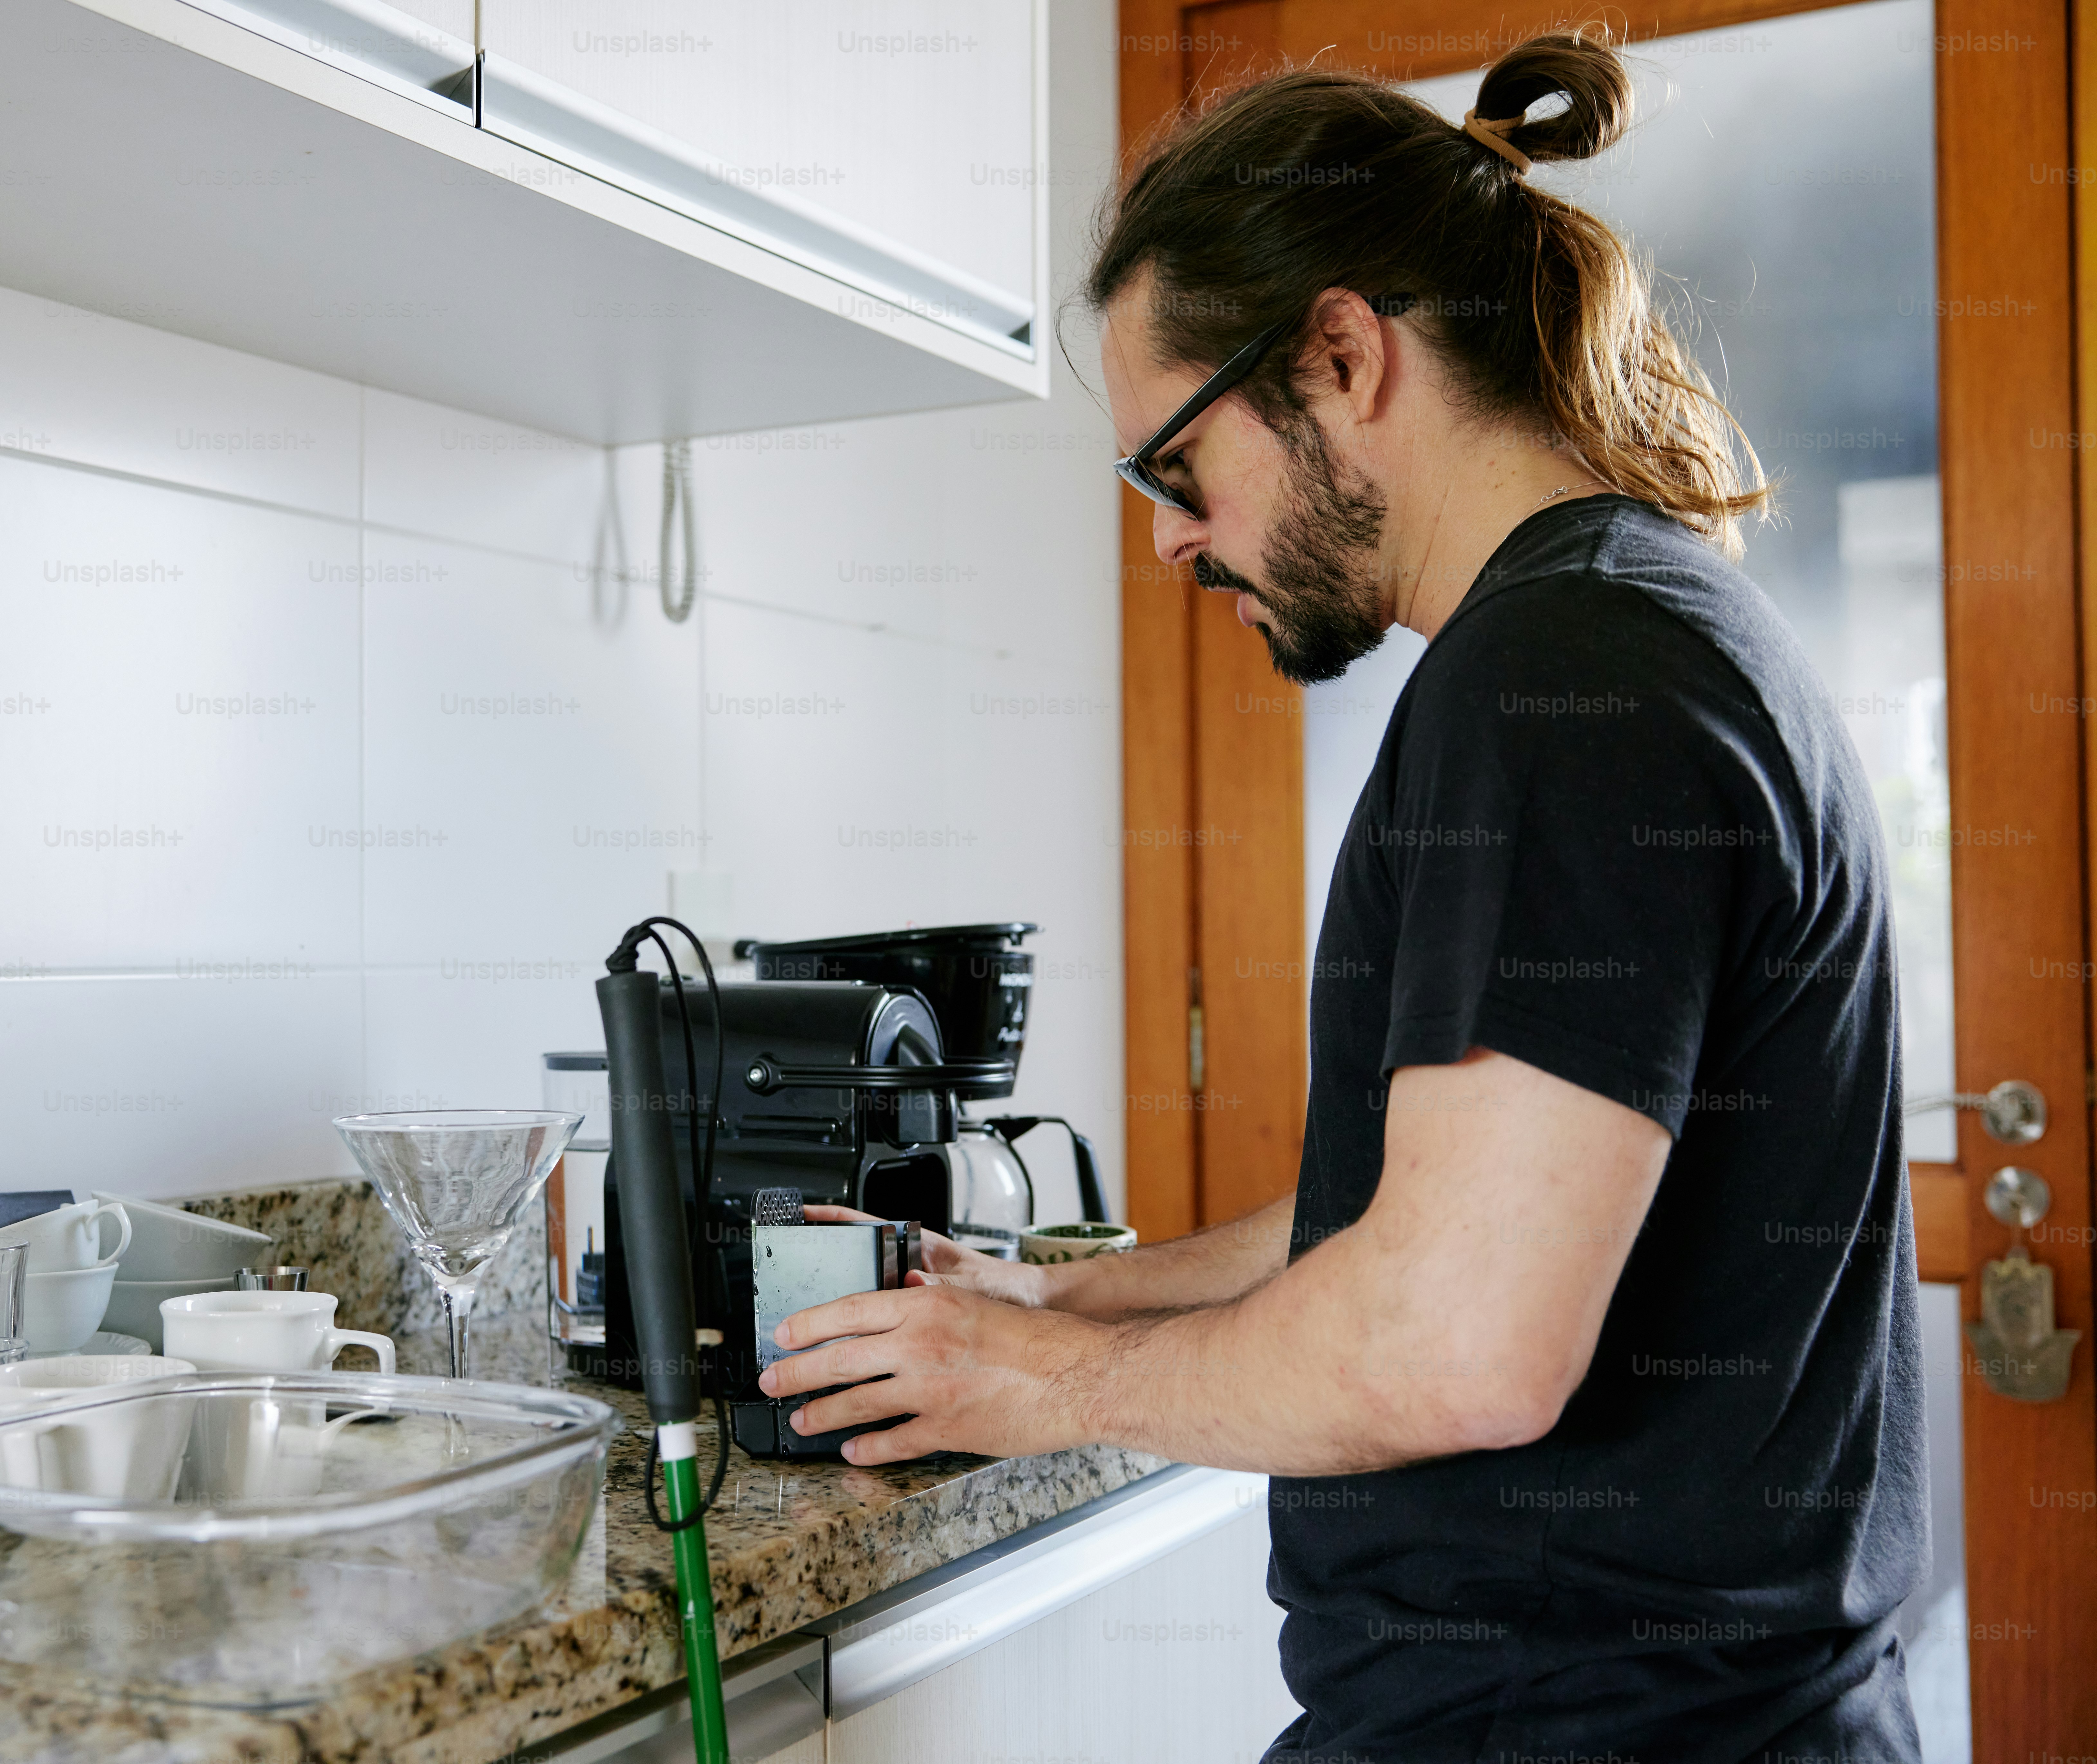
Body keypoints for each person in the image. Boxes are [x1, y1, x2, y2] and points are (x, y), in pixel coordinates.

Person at [762, 27, 1927, 1762]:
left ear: (1338, 355)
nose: (1167, 538)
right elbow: (1428, 1215)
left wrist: (1043, 1387)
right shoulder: (1630, 631)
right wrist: (1076, 1294)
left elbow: (1460, 1338)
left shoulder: (1568, 682)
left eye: (1178, 463)